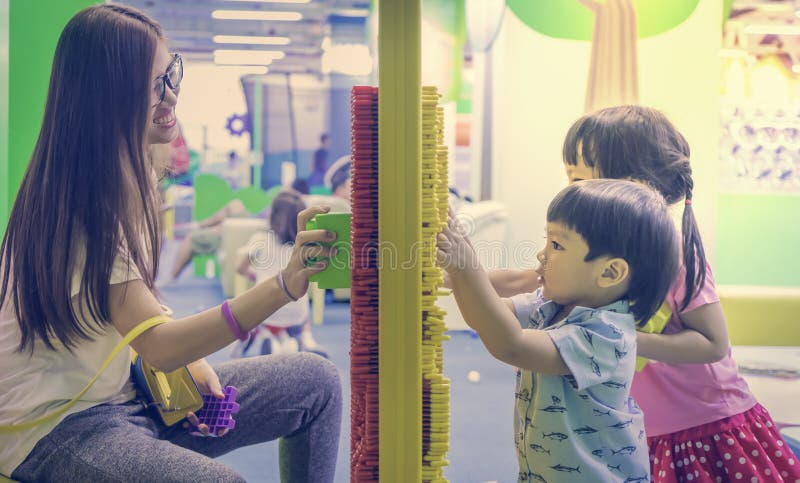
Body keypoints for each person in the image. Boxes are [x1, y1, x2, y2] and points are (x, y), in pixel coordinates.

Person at [0, 5, 341, 482]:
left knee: (315, 382)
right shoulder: (79, 204)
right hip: (56, 430)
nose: (172, 94)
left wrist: (192, 364)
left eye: (171, 74)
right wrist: (283, 285)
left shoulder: (131, 183)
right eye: (155, 83)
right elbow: (160, 346)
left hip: (125, 399)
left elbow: (140, 322)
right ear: (106, 98)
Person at [484, 105, 800, 481]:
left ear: (630, 186)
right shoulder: (597, 260)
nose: (571, 191)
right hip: (645, 425)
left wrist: (624, 340)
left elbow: (713, 343)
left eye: (579, 179)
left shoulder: (668, 253)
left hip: (702, 423)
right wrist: (457, 276)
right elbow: (527, 279)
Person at [438, 179, 680, 482]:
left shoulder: (606, 335)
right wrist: (455, 275)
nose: (542, 254)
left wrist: (465, 268)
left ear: (609, 272)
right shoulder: (550, 305)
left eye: (556, 245)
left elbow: (511, 345)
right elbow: (488, 318)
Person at [235, 191, 327, 358]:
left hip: (267, 315)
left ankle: (267, 337)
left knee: (255, 306)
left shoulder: (260, 239)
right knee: (300, 301)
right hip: (297, 316)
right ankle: (306, 339)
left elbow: (240, 267)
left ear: (273, 215)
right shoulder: (304, 245)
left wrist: (254, 275)